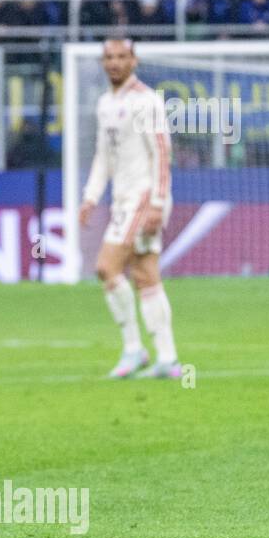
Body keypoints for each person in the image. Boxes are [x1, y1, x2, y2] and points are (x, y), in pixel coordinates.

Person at [79, 38, 181, 378]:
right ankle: (167, 359)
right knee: (145, 275)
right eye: (109, 57)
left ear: (134, 61)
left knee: (107, 267)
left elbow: (162, 154)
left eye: (122, 57)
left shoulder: (146, 101)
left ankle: (134, 350)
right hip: (122, 199)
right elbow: (102, 156)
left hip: (143, 198)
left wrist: (157, 203)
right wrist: (91, 196)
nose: (115, 63)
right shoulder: (106, 103)